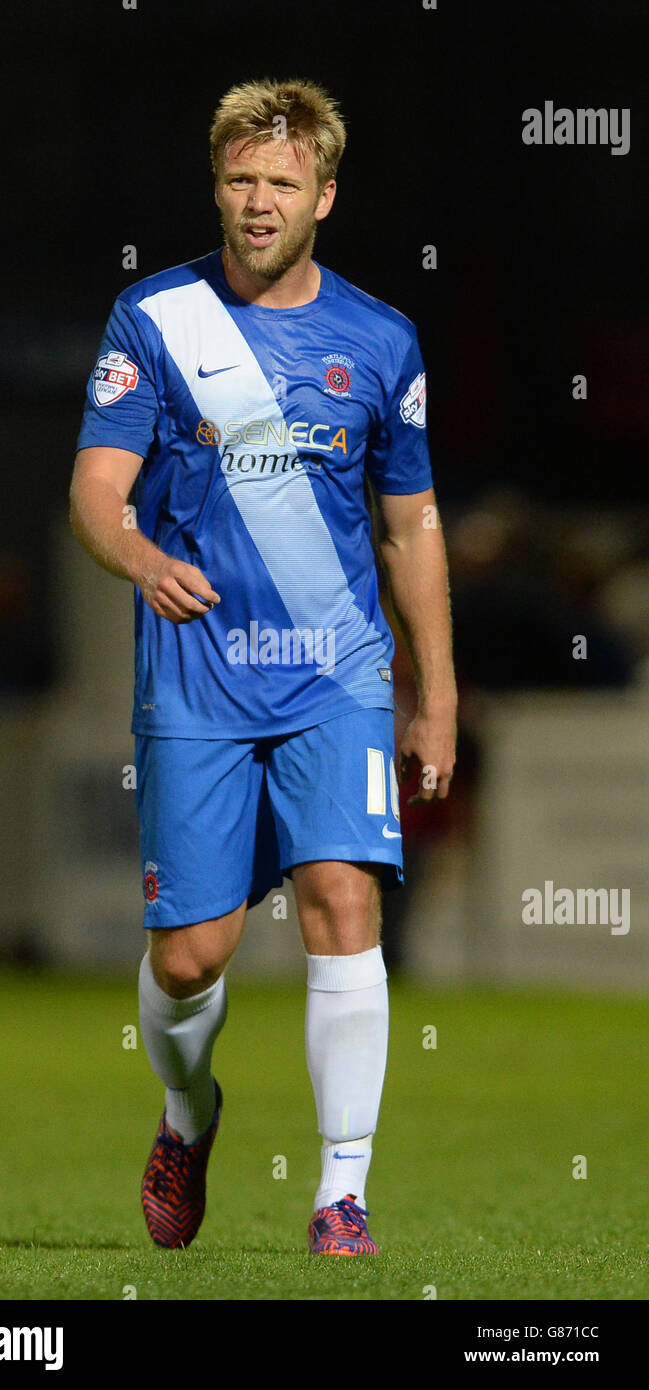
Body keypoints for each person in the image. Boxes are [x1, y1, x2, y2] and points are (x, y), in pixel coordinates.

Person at [69, 78, 457, 1257]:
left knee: (343, 901)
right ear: (218, 184)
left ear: (322, 196)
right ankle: (188, 1112)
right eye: (239, 179)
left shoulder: (380, 339)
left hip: (335, 673)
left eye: (280, 183)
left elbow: (410, 527)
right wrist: (135, 553)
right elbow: (96, 489)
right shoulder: (155, 315)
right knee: (191, 957)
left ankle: (342, 1194)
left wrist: (433, 696)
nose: (255, 202)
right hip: (197, 674)